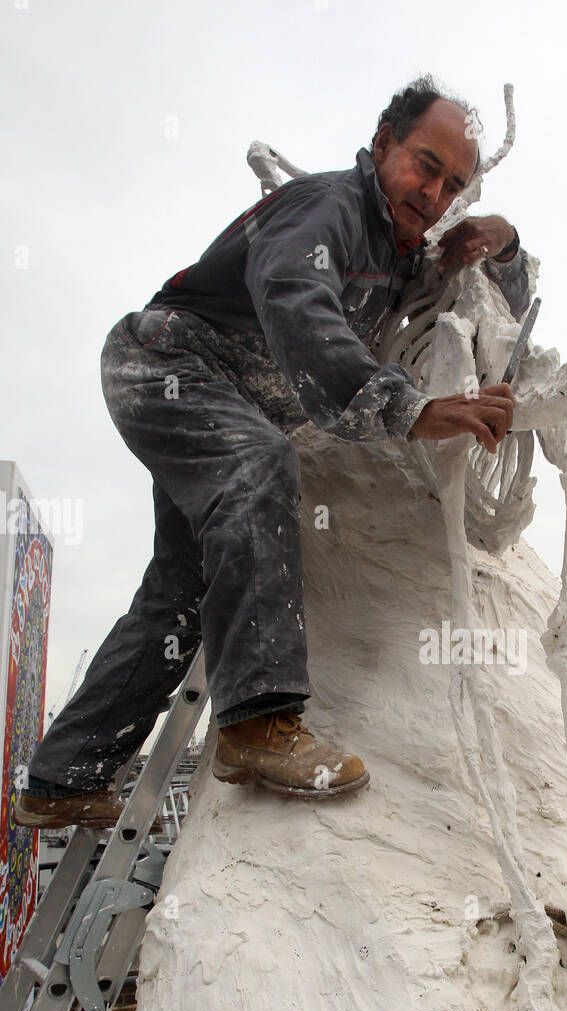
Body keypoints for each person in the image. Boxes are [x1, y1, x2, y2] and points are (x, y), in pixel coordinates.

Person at [14, 77, 529, 831]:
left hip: (222, 397)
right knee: (259, 466)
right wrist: (413, 409)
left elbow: (504, 299)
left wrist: (504, 237)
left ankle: (63, 776)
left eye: (453, 183)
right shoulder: (334, 208)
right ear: (383, 143)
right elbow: (294, 296)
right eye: (425, 164)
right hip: (168, 366)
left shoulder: (403, 256)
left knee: (182, 588)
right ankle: (257, 722)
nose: (434, 190)